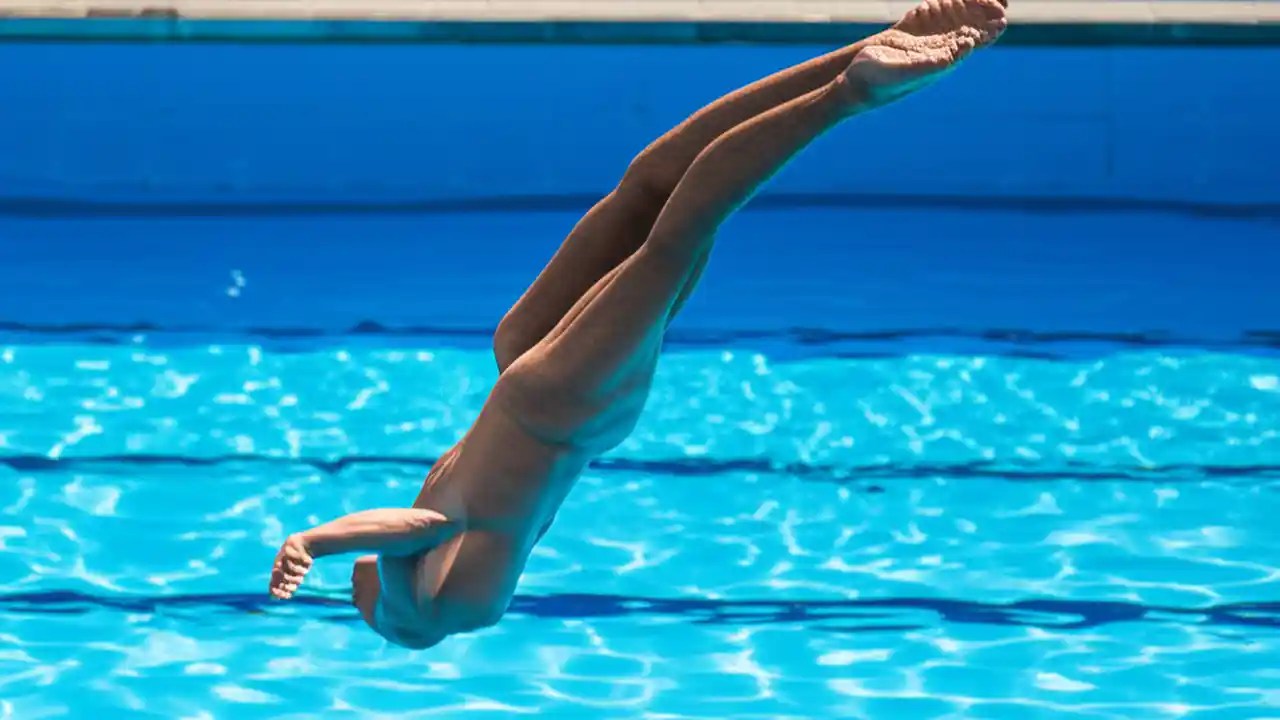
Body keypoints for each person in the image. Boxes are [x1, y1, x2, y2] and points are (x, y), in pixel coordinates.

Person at [268, 0, 1009, 649]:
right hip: (555, 400)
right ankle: (851, 89)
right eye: (364, 613)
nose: (354, 605)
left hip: (536, 379)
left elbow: (419, 529)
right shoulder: (437, 611)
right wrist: (314, 541)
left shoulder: (448, 569)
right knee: (677, 222)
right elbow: (408, 538)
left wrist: (331, 545)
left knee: (655, 193)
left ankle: (868, 53)